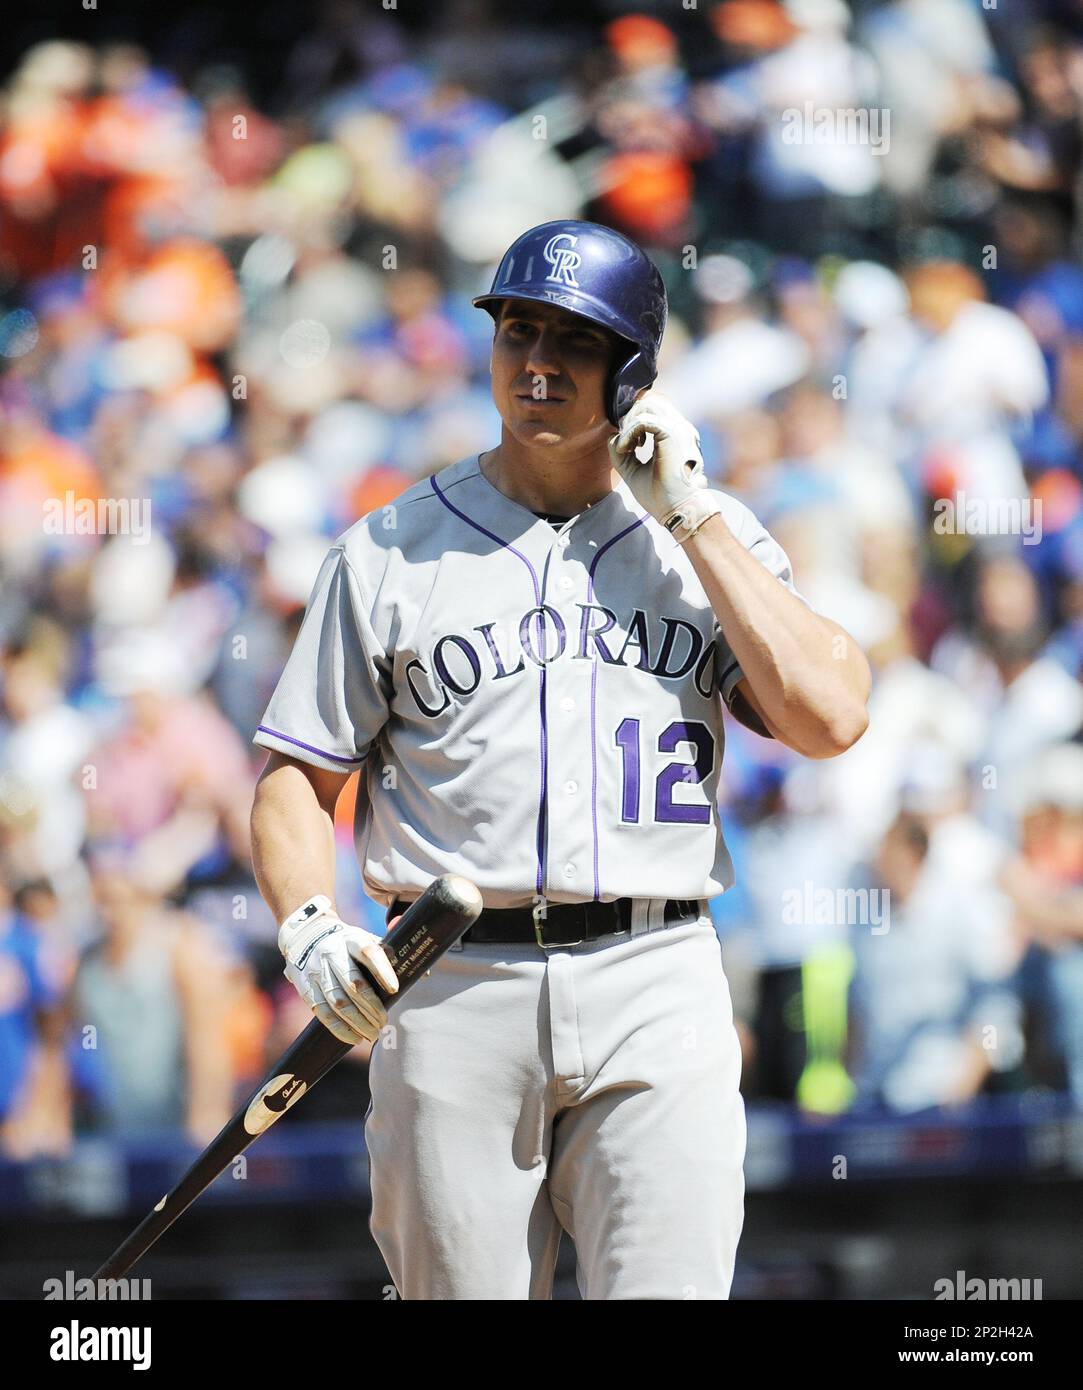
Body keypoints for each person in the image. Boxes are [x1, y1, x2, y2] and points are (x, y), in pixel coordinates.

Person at [249, 219, 870, 1300]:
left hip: (655, 970)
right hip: (452, 982)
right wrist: (309, 927)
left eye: (573, 342)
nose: (535, 363)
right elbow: (297, 778)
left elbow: (832, 716)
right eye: (516, 330)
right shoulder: (390, 548)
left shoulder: (696, 541)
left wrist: (698, 519)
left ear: (632, 370)